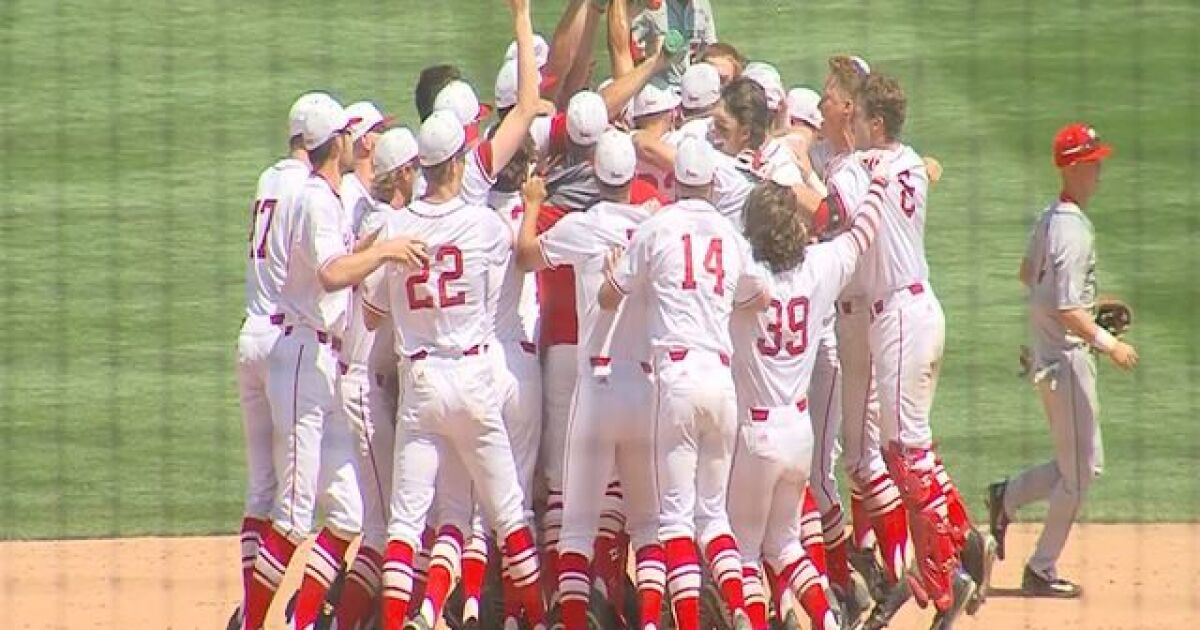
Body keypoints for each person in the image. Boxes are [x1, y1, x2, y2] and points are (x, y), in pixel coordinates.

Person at [242, 97, 428, 630]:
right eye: (347, 134)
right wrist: (385, 252)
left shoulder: (303, 190)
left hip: (316, 358)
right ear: (337, 142)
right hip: (301, 354)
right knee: (294, 516)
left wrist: (367, 244)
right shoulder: (318, 199)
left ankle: (300, 623)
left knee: (347, 511)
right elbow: (329, 274)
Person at [364, 111, 545, 630]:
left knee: (405, 523)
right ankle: (535, 620)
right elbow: (500, 290)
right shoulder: (485, 225)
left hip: (419, 384)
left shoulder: (395, 228)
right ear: (458, 163)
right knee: (508, 514)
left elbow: (372, 314)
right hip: (472, 377)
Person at [599, 136, 768, 630]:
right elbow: (758, 296)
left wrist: (614, 277)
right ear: (712, 184)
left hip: (675, 379)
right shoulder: (729, 233)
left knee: (674, 519)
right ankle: (739, 605)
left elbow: (609, 297)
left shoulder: (656, 226)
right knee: (713, 517)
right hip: (720, 379)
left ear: (674, 182)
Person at [728, 160, 890, 630]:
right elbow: (862, 232)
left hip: (755, 436)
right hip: (799, 434)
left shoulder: (745, 277)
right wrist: (880, 181)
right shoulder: (821, 267)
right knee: (785, 545)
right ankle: (828, 621)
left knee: (745, 549)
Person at [518, 129, 665, 630]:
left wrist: (533, 205)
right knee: (649, 528)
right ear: (633, 178)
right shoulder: (656, 226)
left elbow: (525, 256)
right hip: (644, 390)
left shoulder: (581, 226)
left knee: (576, 528)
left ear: (595, 178)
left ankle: (576, 619)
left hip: (595, 390)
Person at [850, 73, 980, 627]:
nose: (852, 123)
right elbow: (923, 167)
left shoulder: (868, 166)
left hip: (901, 318)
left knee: (905, 453)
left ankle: (945, 576)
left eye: (858, 116)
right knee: (910, 450)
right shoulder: (909, 162)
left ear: (876, 123)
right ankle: (963, 542)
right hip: (917, 310)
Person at [987, 123, 1136, 599]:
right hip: (1067, 363)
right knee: (1079, 474)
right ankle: (1040, 568)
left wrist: (1074, 315)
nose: (1099, 171)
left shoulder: (1050, 217)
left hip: (1050, 356)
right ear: (1073, 168)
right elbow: (1067, 307)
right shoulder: (1072, 231)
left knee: (1083, 466)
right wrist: (1109, 343)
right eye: (1092, 163)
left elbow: (1028, 276)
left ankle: (1006, 496)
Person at [232, 91, 329, 630]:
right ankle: (256, 618)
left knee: (261, 491)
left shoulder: (267, 179)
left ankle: (249, 608)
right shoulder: (307, 191)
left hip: (248, 334)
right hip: (281, 342)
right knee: (293, 511)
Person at [333, 127, 422, 630]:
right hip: (365, 388)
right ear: (405, 174)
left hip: (370, 385)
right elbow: (372, 313)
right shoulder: (388, 226)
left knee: (384, 526)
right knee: (384, 529)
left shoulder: (375, 220)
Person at [629, 0, 718, 86]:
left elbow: (711, 47)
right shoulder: (651, 6)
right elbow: (628, 48)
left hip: (692, 84)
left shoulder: (703, 4)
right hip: (658, 86)